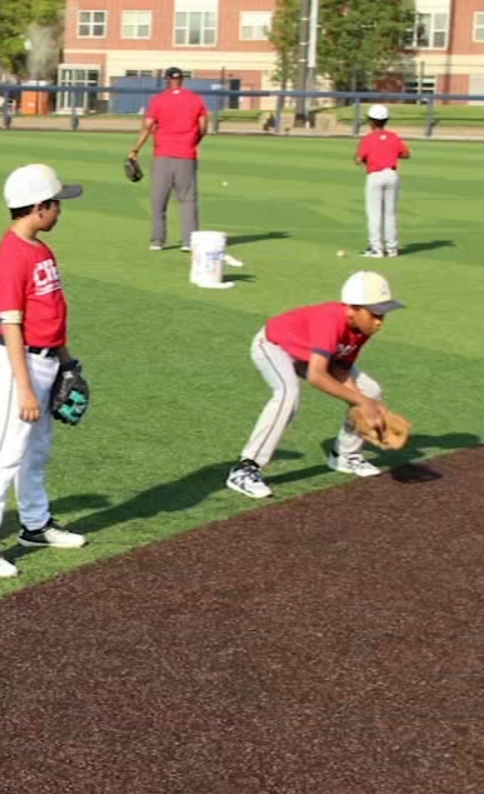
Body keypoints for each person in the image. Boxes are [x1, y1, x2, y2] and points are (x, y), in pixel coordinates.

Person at [0, 163, 89, 579]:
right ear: (39, 207)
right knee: (4, 451)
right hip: (20, 362)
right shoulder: (11, 258)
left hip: (46, 359)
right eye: (56, 203)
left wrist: (66, 360)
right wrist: (26, 389)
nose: (61, 210)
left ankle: (35, 525)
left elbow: (51, 314)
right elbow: (11, 325)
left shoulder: (40, 249)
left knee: (37, 451)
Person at [226, 271, 406, 500]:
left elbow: (340, 368)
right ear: (353, 308)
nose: (380, 322)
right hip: (274, 346)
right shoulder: (332, 319)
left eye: (383, 314)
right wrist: (362, 402)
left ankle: (345, 456)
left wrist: (363, 400)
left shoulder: (363, 327)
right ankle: (245, 468)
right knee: (288, 392)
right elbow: (317, 375)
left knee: (370, 390)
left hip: (309, 356)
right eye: (375, 314)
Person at [128, 67, 208, 252]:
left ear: (166, 80)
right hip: (186, 155)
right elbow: (203, 127)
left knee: (158, 200)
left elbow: (147, 126)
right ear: (182, 80)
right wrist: (193, 141)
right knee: (187, 201)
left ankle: (157, 241)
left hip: (163, 155)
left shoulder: (158, 100)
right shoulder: (195, 99)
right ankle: (189, 242)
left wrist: (135, 149)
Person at [355, 104, 410, 258]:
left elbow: (358, 160)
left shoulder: (368, 138)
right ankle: (392, 248)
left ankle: (377, 248)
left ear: (370, 121)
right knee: (390, 213)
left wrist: (367, 157)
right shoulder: (393, 136)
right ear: (386, 120)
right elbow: (406, 154)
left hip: (375, 175)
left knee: (374, 213)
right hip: (392, 174)